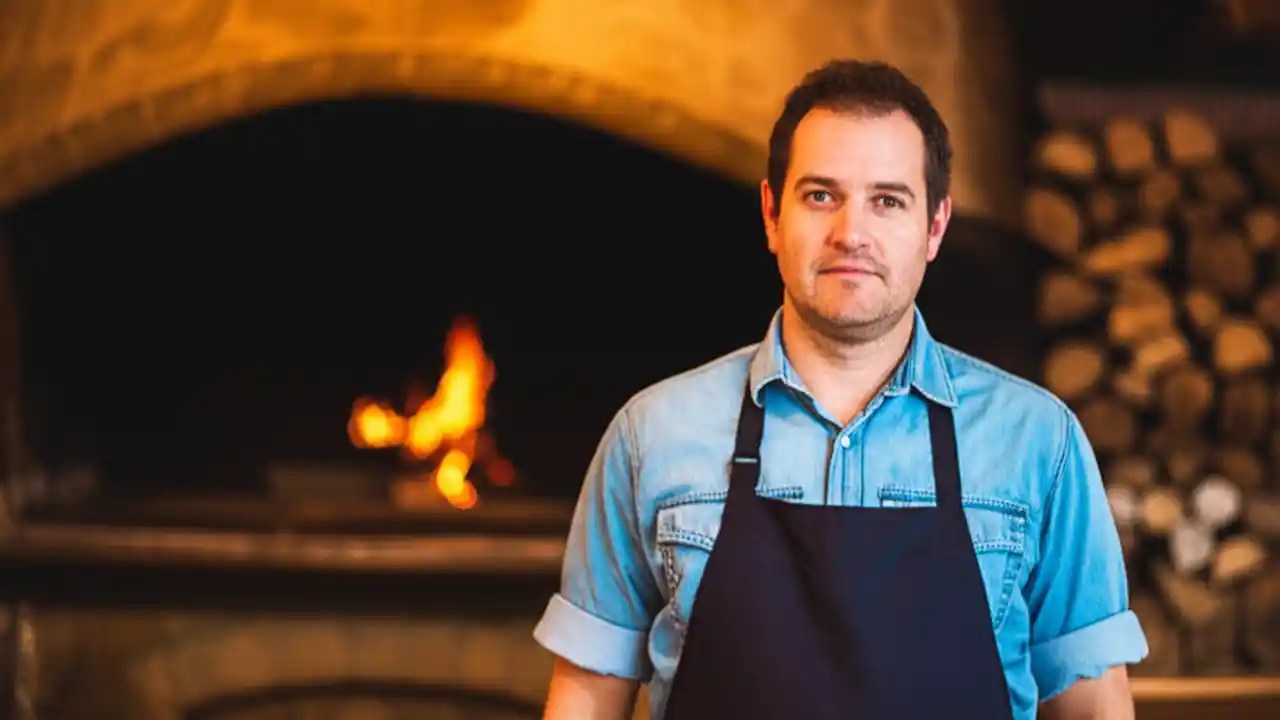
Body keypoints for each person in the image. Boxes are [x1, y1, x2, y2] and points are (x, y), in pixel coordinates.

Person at [533, 58, 1148, 719]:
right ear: (772, 214)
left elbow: (1091, 707)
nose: (851, 233)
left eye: (888, 200)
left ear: (935, 226)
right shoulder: (651, 435)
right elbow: (586, 701)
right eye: (820, 195)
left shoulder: (1037, 441)